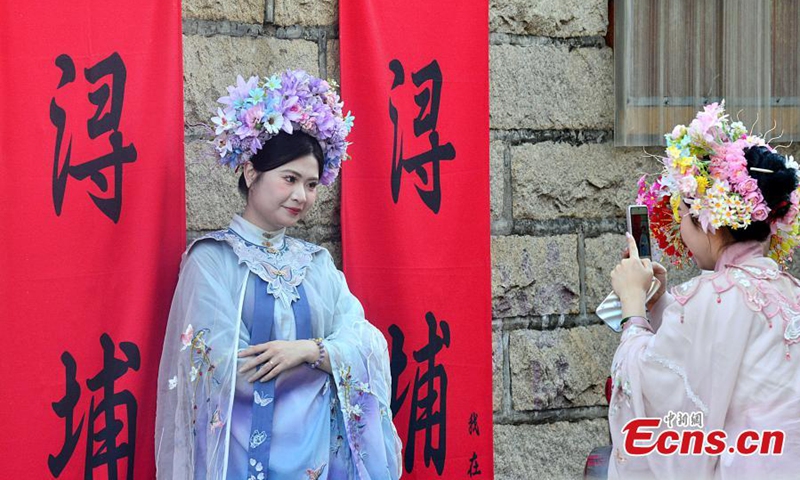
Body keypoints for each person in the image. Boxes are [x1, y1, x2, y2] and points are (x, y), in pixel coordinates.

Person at [155, 70, 402, 479]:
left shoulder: (317, 264)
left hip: (322, 457)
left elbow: (365, 341)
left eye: (311, 184)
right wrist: (324, 362)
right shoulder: (212, 261)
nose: (301, 196)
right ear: (252, 173)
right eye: (289, 179)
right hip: (241, 459)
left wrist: (308, 351)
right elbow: (219, 368)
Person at [607, 102, 800, 479]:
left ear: (708, 222)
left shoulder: (708, 296)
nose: (680, 228)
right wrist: (659, 302)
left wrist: (633, 310)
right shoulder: (789, 291)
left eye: (682, 215)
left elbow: (654, 386)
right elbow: (715, 351)